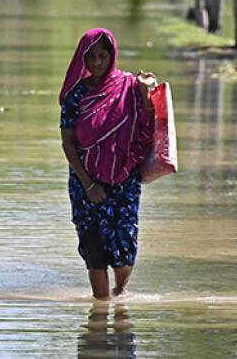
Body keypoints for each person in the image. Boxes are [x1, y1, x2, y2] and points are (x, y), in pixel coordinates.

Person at [59, 28, 157, 299]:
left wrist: (145, 93)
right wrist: (89, 185)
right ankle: (99, 313)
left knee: (124, 248)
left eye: (103, 56)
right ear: (83, 59)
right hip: (84, 182)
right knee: (93, 249)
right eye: (91, 57)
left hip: (124, 179)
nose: (97, 63)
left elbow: (146, 127)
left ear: (112, 56)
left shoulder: (127, 86)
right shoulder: (75, 96)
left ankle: (120, 292)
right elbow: (68, 143)